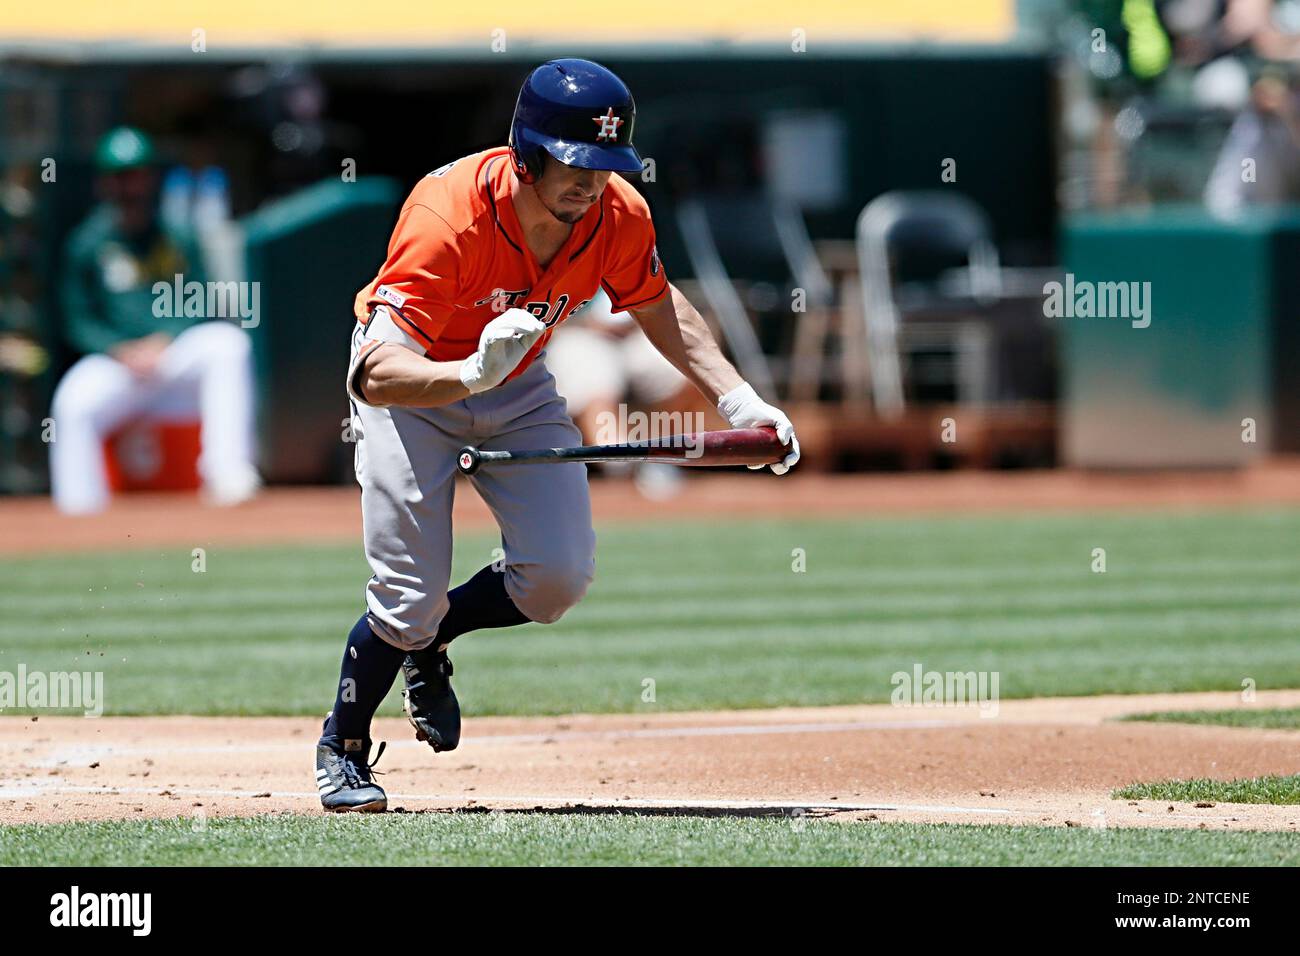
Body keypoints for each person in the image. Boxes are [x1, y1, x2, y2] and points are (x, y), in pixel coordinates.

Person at [315, 59, 800, 811]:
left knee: (556, 579)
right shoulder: (447, 215)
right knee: (406, 602)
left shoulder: (618, 214)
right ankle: (343, 745)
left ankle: (434, 640)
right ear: (524, 154)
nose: (590, 183)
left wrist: (739, 401)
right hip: (415, 392)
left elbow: (656, 304)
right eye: (574, 164)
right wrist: (468, 373)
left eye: (605, 166)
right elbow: (376, 372)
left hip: (517, 386)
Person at [50, 127, 259, 514]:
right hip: (119, 367)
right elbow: (76, 321)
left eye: (136, 176)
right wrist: (117, 349)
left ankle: (227, 474)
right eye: (119, 177)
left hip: (171, 360)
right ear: (104, 183)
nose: (129, 187)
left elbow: (200, 299)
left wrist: (166, 339)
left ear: (150, 179)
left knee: (228, 344)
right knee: (72, 402)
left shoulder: (178, 236)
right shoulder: (87, 244)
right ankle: (79, 512)